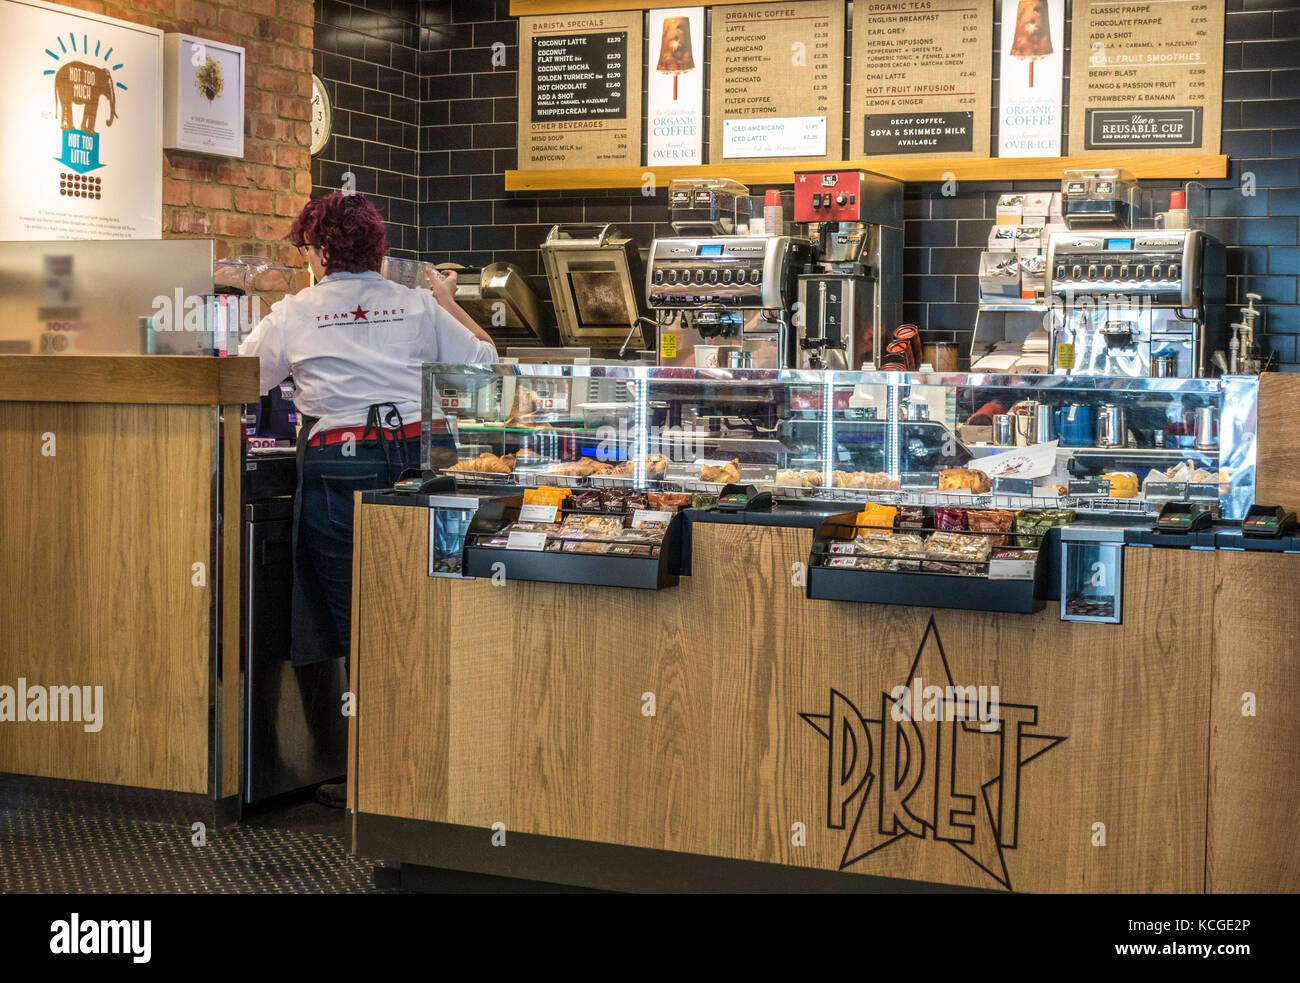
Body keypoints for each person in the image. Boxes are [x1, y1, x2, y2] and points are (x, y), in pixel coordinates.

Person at [239, 192, 496, 806]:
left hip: (336, 466)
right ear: (376, 248)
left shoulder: (296, 311)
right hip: (416, 462)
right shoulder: (414, 304)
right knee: (422, 604)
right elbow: (486, 365)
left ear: (322, 249)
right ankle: (433, 766)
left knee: (360, 618)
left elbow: (235, 379)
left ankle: (375, 776)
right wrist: (448, 304)